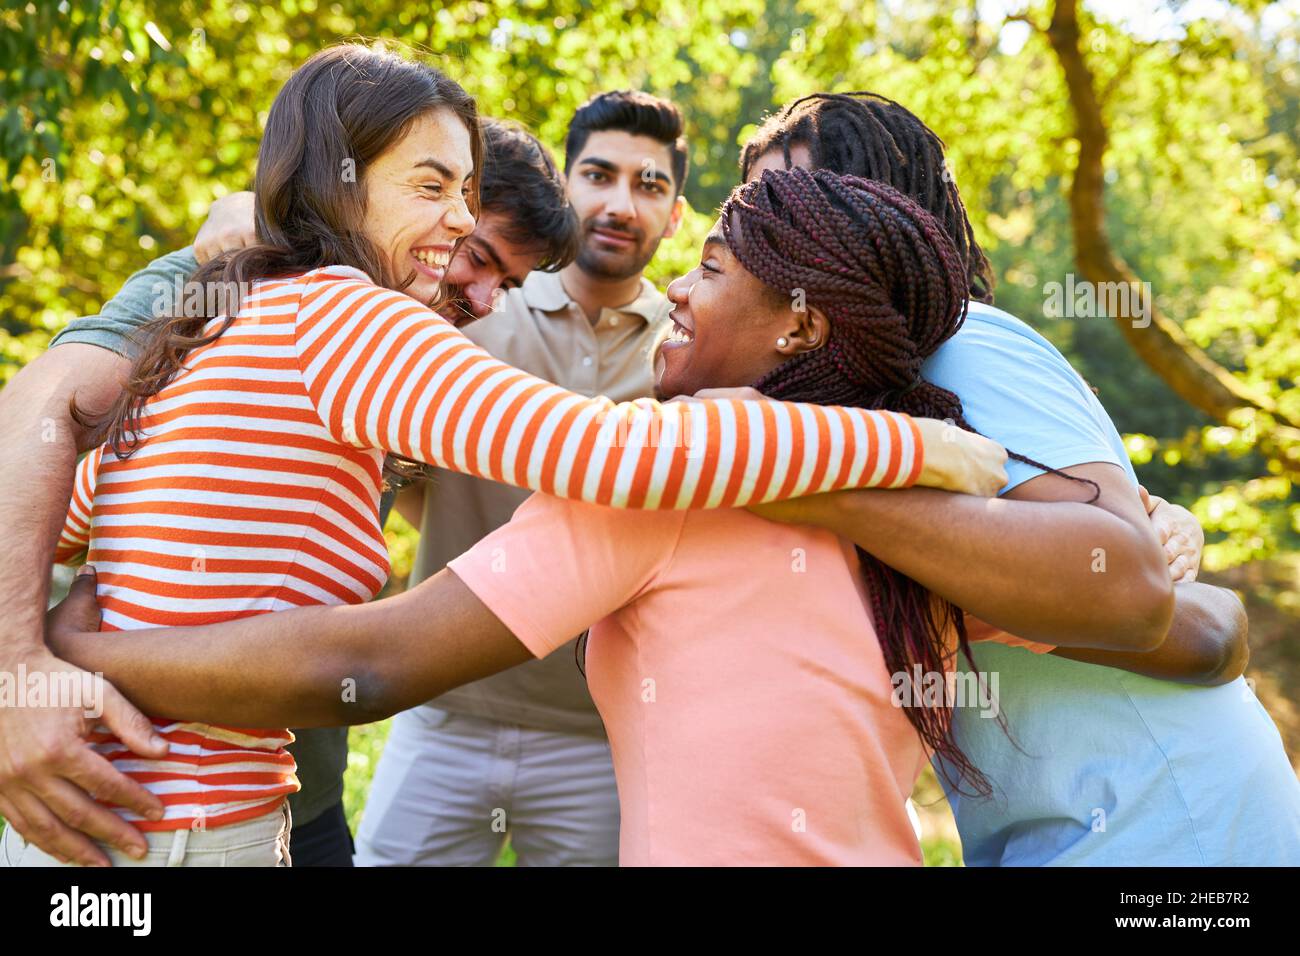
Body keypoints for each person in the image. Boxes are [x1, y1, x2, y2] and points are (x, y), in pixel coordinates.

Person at [37, 168, 1254, 864]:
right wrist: (1159, 542)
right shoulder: (946, 506)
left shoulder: (658, 487)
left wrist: (76, 652)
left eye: (712, 266)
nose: (676, 276)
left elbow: (361, 659)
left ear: (802, 326)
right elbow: (1201, 638)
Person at [0, 46, 1003, 868]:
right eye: (429, 185)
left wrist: (59, 645)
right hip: (167, 821)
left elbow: (90, 512)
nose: (454, 222)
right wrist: (911, 442)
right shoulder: (347, 318)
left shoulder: (233, 319)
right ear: (333, 183)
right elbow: (615, 455)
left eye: (467, 189)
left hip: (109, 814)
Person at [736, 91, 1300, 864]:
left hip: (1166, 829)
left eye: (801, 200)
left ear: (888, 214)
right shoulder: (850, 415)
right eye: (754, 208)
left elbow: (1183, 626)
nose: (770, 234)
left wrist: (822, 495)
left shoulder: (965, 348)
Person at [63, 116, 579, 867]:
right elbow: (57, 452)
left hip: (299, 794)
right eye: (479, 258)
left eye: (509, 282)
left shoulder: (412, 355)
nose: (486, 298)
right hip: (140, 798)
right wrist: (29, 668)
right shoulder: (223, 285)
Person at [359, 90, 688, 867]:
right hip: (441, 712)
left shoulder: (688, 354)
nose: (619, 203)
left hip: (600, 737)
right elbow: (406, 473)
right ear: (564, 186)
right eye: (599, 175)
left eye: (650, 186)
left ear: (675, 214)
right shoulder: (465, 302)